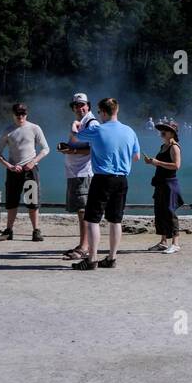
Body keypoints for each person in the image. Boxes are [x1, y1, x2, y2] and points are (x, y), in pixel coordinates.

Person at [68, 97, 141, 271]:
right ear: (117, 110)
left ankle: (92, 259)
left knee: (93, 220)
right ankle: (111, 258)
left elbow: (76, 137)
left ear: (104, 111)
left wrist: (75, 124)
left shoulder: (98, 130)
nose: (99, 115)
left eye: (99, 112)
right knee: (115, 220)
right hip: (122, 179)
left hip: (102, 178)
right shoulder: (130, 131)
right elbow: (136, 157)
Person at [0, 102, 49, 242]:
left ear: (27, 114)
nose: (20, 116)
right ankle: (8, 230)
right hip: (13, 171)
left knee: (32, 201)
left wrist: (33, 162)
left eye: (23, 113)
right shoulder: (8, 130)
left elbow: (45, 149)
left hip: (30, 171)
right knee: (12, 201)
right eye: (18, 114)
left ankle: (36, 230)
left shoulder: (35, 128)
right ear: (13, 114)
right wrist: (9, 166)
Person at [58, 93, 98, 260]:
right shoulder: (81, 123)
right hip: (76, 172)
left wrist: (72, 150)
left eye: (82, 105)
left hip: (83, 172)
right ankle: (84, 244)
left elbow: (93, 149)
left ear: (88, 106)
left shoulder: (91, 123)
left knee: (83, 211)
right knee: (81, 212)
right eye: (76, 105)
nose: (80, 108)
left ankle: (84, 247)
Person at [143, 122, 184, 254]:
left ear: (172, 133)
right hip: (160, 183)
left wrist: (157, 162)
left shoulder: (174, 147)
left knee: (169, 212)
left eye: (165, 130)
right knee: (160, 212)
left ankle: (176, 243)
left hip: (169, 184)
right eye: (162, 130)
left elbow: (176, 166)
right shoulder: (163, 146)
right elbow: (161, 165)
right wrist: (151, 162)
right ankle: (163, 242)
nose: (162, 133)